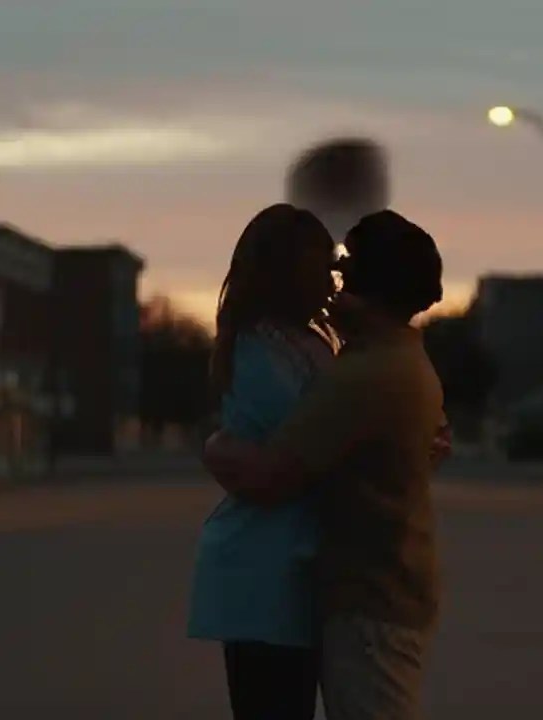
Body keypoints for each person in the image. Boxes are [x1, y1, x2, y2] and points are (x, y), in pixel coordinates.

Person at [204, 210, 447, 720]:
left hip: (354, 591)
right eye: (328, 263)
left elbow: (275, 471)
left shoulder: (357, 367)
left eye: (347, 264)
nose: (337, 275)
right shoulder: (311, 353)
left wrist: (218, 451)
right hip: (280, 576)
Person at [186, 203, 338, 720]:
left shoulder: (310, 343)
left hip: (297, 568)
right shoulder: (257, 347)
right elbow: (302, 449)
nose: (333, 278)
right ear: (288, 269)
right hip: (264, 570)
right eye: (322, 264)